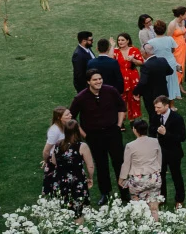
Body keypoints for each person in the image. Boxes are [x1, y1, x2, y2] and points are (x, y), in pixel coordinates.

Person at [69, 71, 126, 204]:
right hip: (94, 136)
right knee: (101, 165)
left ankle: (124, 192)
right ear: (88, 82)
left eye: (100, 79)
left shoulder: (111, 91)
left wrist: (118, 125)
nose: (98, 81)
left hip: (113, 133)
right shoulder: (80, 98)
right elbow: (72, 118)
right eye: (95, 80)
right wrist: (85, 135)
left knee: (119, 162)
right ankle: (105, 193)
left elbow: (121, 107)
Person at [42, 115, 93, 216]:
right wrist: (90, 178)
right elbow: (90, 166)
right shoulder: (82, 146)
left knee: (62, 210)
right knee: (77, 211)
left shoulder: (57, 144)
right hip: (77, 181)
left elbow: (54, 161)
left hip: (60, 180)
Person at [119, 120, 163, 218]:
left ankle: (142, 228)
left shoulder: (130, 146)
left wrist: (121, 179)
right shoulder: (155, 141)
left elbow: (126, 164)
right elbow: (159, 159)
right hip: (154, 178)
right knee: (154, 207)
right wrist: (156, 171)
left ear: (135, 130)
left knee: (138, 207)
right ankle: (156, 226)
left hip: (137, 181)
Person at [152, 96, 186, 208]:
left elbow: (182, 137)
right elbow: (151, 129)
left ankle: (179, 199)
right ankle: (162, 198)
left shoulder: (177, 118)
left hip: (173, 152)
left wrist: (166, 133)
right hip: (160, 152)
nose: (156, 109)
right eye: (155, 107)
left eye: (158, 107)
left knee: (176, 176)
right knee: (160, 176)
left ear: (167, 106)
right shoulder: (155, 116)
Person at [146, 20, 181, 101]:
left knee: (160, 83)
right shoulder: (170, 39)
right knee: (171, 83)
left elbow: (150, 53)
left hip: (158, 64)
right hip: (170, 62)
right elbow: (173, 50)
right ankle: (171, 104)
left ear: (154, 30)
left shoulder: (151, 42)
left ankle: (160, 101)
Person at [113, 34, 145, 119]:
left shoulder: (134, 50)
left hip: (133, 78)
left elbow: (141, 63)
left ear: (128, 41)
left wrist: (133, 60)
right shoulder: (115, 51)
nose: (120, 42)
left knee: (133, 99)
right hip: (120, 79)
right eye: (119, 40)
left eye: (122, 40)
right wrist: (112, 47)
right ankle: (121, 120)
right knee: (120, 99)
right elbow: (110, 61)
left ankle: (133, 120)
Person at [168, 6, 186, 80]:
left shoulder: (183, 22)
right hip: (176, 48)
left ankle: (180, 83)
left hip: (182, 47)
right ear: (181, 15)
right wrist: (171, 50)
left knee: (182, 65)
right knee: (178, 65)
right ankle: (177, 83)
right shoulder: (172, 24)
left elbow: (184, 33)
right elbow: (169, 38)